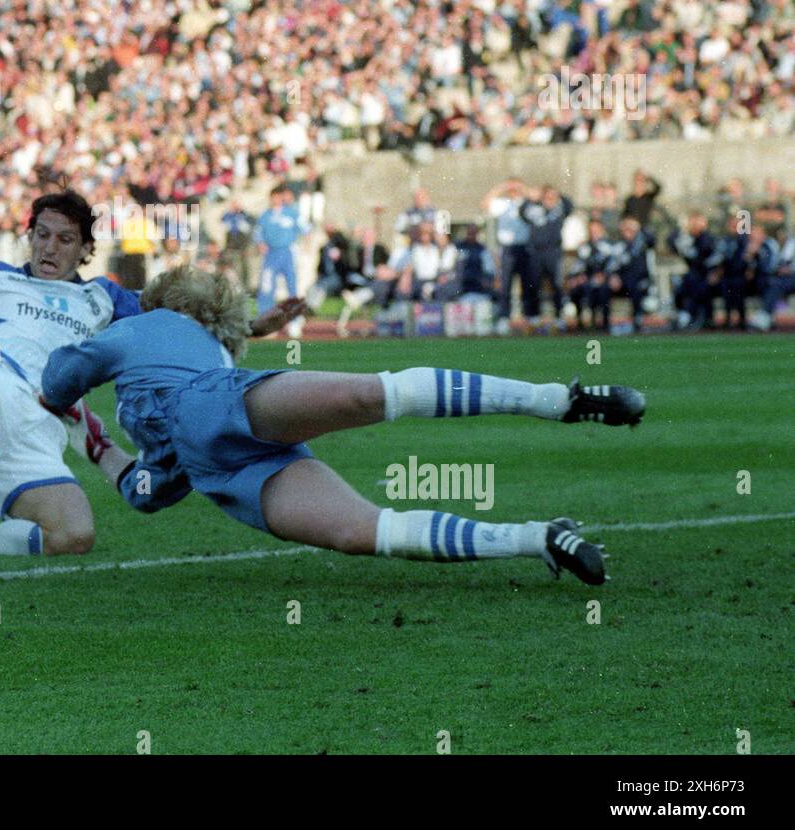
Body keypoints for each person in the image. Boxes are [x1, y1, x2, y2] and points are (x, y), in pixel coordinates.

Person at [41, 268, 648, 587]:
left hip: (211, 417)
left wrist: (66, 408)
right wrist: (93, 439)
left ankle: (559, 399)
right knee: (364, 529)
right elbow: (145, 493)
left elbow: (64, 373)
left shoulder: (151, 324)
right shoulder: (199, 341)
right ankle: (540, 537)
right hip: (216, 460)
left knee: (369, 395)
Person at [0, 189, 308, 553]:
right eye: (41, 235)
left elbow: (179, 325)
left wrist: (257, 327)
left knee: (72, 536)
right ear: (29, 237)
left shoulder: (104, 297)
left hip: (45, 424)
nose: (49, 247)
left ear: (86, 249)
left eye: (65, 239)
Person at [483, 178, 536, 333]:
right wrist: (501, 187)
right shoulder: (502, 203)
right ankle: (504, 318)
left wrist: (522, 187)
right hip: (507, 249)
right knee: (505, 285)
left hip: (524, 247)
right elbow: (485, 204)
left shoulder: (526, 202)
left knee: (528, 284)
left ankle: (530, 317)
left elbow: (537, 197)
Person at [254, 185, 311, 317]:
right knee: (267, 287)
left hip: (287, 253)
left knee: (292, 286)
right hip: (271, 254)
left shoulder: (292, 213)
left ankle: (294, 319)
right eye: (273, 197)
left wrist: (307, 244)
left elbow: (306, 228)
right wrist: (260, 244)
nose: (275, 200)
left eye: (278, 197)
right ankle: (265, 318)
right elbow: (257, 233)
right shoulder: (265, 215)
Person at [523, 185, 574, 322]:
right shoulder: (534, 210)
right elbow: (522, 211)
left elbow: (570, 205)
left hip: (553, 252)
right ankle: (534, 317)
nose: (549, 200)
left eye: (552, 197)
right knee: (534, 284)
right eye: (546, 197)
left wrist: (558, 193)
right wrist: (531, 198)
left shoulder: (559, 210)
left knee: (556, 284)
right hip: (536, 252)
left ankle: (558, 316)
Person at [606, 216, 653, 332]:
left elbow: (652, 239)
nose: (627, 233)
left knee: (635, 287)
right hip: (621, 281)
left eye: (630, 229)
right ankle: (604, 322)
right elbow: (612, 265)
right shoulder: (618, 245)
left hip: (639, 280)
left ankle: (637, 320)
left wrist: (637, 226)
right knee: (603, 288)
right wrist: (613, 276)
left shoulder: (641, 244)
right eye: (624, 230)